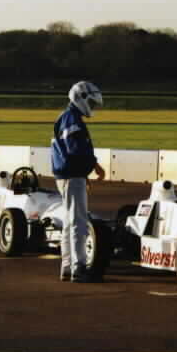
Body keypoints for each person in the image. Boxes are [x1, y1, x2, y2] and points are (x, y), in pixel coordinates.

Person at [51, 81, 106, 283]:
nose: (92, 107)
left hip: (69, 175)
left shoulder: (68, 117)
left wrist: (84, 172)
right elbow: (76, 149)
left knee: (69, 222)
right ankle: (79, 267)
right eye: (91, 103)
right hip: (71, 176)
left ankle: (68, 267)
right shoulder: (72, 118)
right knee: (78, 222)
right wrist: (92, 165)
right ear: (81, 98)